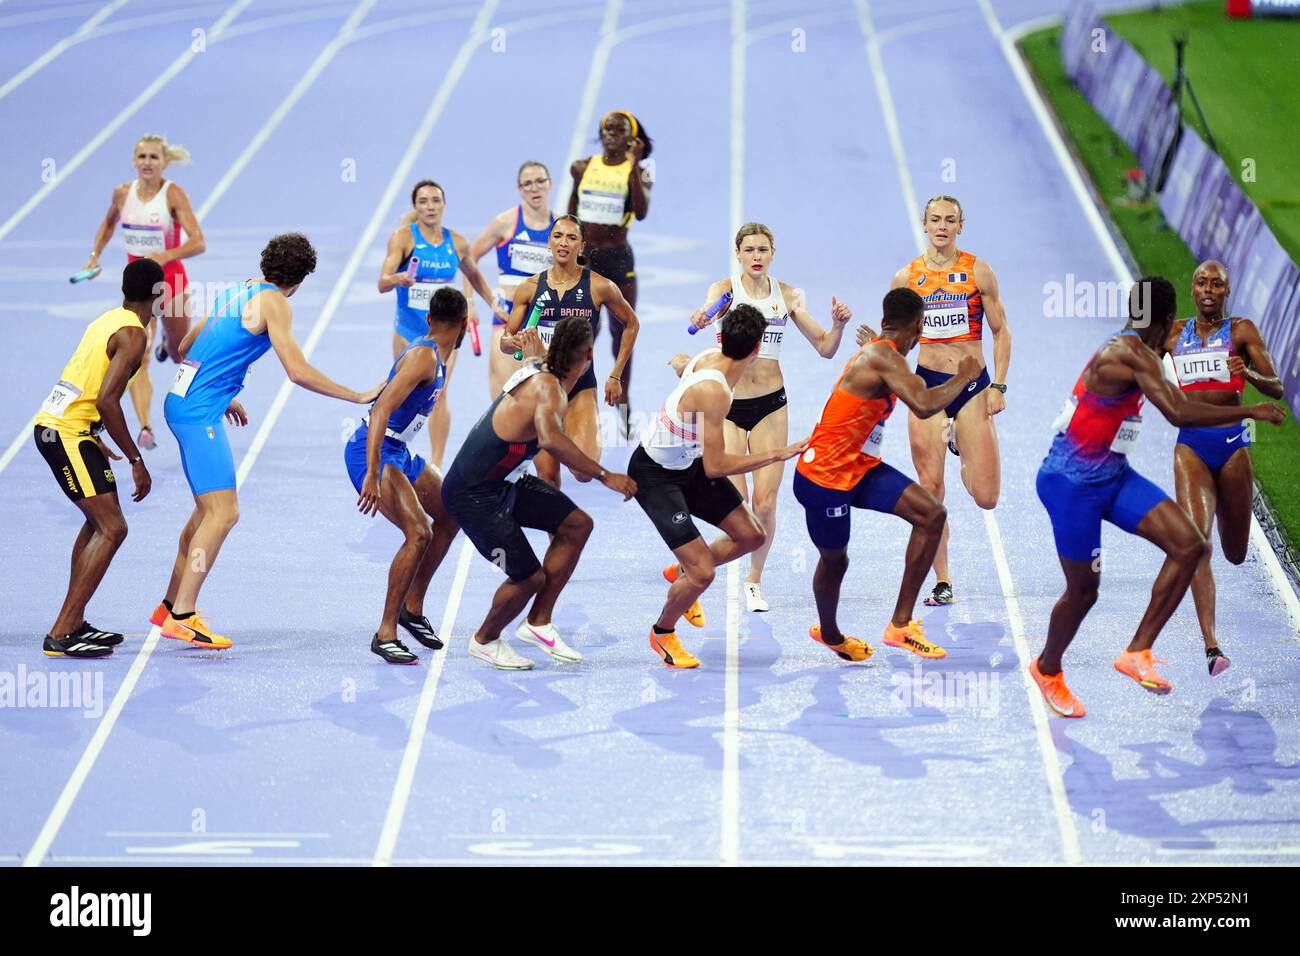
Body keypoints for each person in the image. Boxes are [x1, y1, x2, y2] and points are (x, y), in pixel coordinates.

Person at [1030, 277, 1285, 718]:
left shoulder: (1142, 350)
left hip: (1112, 475)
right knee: (1084, 592)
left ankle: (1137, 651)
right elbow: (1179, 412)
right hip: (1070, 483)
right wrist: (1250, 410)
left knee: (1190, 544)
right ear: (1166, 320)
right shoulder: (1128, 352)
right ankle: (1048, 668)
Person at [150, 233, 382, 650]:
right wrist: (356, 394)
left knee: (205, 513)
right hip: (197, 414)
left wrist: (223, 390)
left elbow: (185, 345)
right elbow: (296, 370)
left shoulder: (240, 289)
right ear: (301, 278)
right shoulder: (276, 302)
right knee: (224, 514)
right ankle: (183, 615)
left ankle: (170, 606)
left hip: (182, 403)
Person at [795, 288, 979, 663]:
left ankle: (900, 626)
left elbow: (912, 386)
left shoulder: (883, 352)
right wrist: (965, 376)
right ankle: (830, 634)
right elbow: (925, 404)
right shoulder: (883, 357)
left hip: (859, 466)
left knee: (931, 514)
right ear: (918, 326)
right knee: (835, 561)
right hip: (824, 478)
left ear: (883, 324)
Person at [443, 319, 637, 670]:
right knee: (528, 576)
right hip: (473, 496)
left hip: (505, 482)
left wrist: (534, 349)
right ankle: (485, 639)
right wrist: (605, 475)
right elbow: (548, 438)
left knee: (577, 525)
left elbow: (534, 355)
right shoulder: (550, 390)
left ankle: (538, 623)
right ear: (590, 354)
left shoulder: (541, 366)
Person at [688, 222, 852, 612]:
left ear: (772, 254)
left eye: (763, 250)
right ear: (739, 254)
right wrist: (701, 318)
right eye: (749, 250)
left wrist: (839, 326)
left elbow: (826, 349)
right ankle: (697, 565)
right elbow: (702, 320)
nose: (757, 257)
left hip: (771, 406)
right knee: (737, 505)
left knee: (765, 504)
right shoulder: (724, 291)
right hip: (727, 406)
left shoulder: (789, 295)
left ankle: (753, 581)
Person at [634, 305, 807, 669]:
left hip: (688, 464)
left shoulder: (711, 358)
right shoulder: (715, 392)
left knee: (752, 535)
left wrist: (682, 368)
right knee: (704, 573)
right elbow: (717, 466)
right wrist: (776, 454)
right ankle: (663, 632)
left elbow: (689, 383)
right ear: (758, 348)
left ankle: (682, 572)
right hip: (656, 474)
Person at [867, 196, 1011, 608]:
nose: (942, 226)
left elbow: (1001, 331)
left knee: (986, 497)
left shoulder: (978, 272)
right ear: (924, 224)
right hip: (927, 389)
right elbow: (892, 341)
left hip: (971, 387)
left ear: (961, 226)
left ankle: (959, 444)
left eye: (950, 220)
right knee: (930, 490)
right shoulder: (906, 278)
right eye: (935, 220)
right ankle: (943, 581)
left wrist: (999, 386)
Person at [34, 260, 165, 657]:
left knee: (98, 523)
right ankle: (62, 631)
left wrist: (93, 434)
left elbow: (85, 381)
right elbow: (108, 399)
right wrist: (135, 458)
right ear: (158, 294)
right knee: (113, 528)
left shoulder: (108, 320)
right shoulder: (133, 335)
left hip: (69, 428)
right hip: (67, 433)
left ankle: (74, 622)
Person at [1164, 260, 1285, 675]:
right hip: (1191, 446)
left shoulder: (1241, 332)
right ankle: (1212, 646)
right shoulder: (1173, 334)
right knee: (1197, 542)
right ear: (1193, 289)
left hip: (1233, 446)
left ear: (1227, 292)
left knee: (1234, 552)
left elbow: (1278, 388)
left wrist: (1247, 371)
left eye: (1217, 283)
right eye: (1202, 282)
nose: (1209, 289)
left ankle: (1232, 533)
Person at [350, 288, 468, 665]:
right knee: (419, 533)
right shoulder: (423, 358)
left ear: (430, 320)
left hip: (399, 450)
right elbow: (381, 410)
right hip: (376, 449)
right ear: (464, 326)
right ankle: (386, 632)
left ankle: (411, 608)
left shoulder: (439, 353)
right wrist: (372, 473)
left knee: (452, 511)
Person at [82, 134, 206, 451]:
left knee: (180, 353)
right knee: (139, 356)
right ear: (134, 161)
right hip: (138, 287)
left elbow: (198, 242)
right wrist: (95, 256)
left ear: (164, 162)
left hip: (171, 282)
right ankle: (146, 426)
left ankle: (169, 343)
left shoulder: (173, 195)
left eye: (153, 157)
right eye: (142, 157)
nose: (147, 163)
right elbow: (108, 224)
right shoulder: (123, 193)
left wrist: (163, 257)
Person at [501, 215, 639, 489]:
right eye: (558, 236)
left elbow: (631, 323)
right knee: (549, 478)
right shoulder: (528, 288)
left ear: (582, 246)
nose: (564, 243)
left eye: (571, 238)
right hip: (539, 387)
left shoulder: (600, 286)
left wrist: (616, 375)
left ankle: (563, 427)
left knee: (584, 471)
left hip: (580, 386)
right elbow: (506, 339)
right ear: (549, 242)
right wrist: (511, 343)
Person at [378, 180, 509, 467]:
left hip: (444, 334)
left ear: (444, 205)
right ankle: (391, 449)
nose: (430, 206)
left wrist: (494, 305)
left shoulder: (457, 242)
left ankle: (436, 464)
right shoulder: (403, 239)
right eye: (423, 201)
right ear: (415, 206)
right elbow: (382, 283)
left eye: (435, 200)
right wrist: (400, 279)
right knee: (404, 391)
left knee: (438, 393)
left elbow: (474, 277)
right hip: (408, 331)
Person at [568, 111, 652, 436]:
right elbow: (570, 215)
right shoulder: (582, 168)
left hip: (619, 261)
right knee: (582, 333)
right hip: (587, 262)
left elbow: (641, 212)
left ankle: (623, 398)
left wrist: (632, 164)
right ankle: (575, 395)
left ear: (631, 139)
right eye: (607, 129)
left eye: (620, 130)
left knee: (622, 331)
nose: (612, 134)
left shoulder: (641, 173)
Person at [467, 161, 555, 397]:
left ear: (550, 184)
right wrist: (470, 303)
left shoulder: (560, 230)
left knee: (544, 403)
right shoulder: (505, 222)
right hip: (508, 321)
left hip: (545, 325)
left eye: (539, 182)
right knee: (502, 400)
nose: (534, 188)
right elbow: (469, 259)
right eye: (527, 184)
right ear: (519, 190)